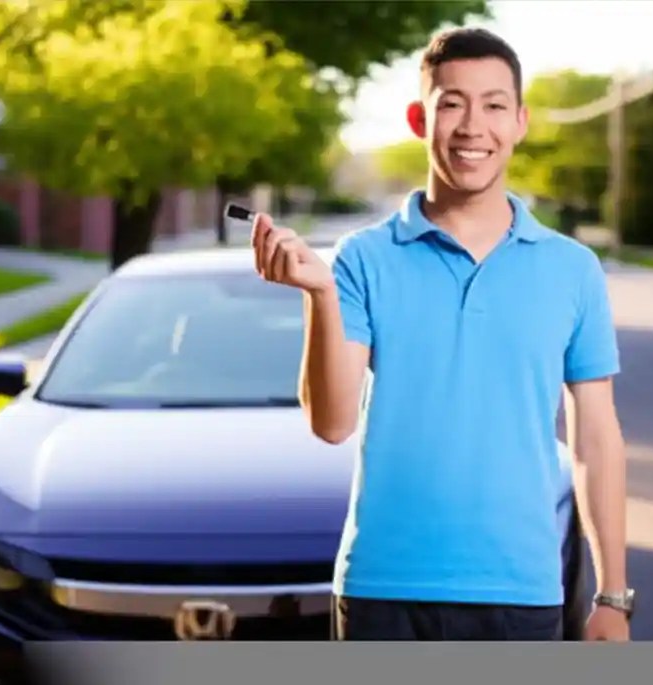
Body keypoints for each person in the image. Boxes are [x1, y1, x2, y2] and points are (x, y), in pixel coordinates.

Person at [251, 26, 632, 641]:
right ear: (418, 118)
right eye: (452, 102)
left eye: (493, 105)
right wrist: (319, 294)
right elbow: (332, 423)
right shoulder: (361, 259)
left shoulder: (572, 268)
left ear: (520, 122)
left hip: (522, 588)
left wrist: (613, 593)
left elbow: (596, 437)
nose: (472, 126)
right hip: (383, 589)